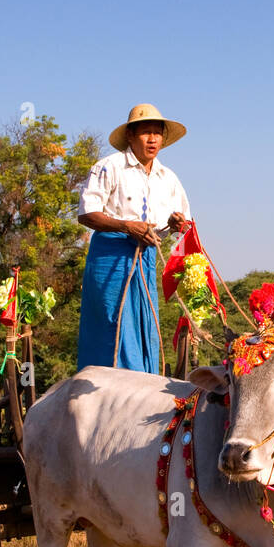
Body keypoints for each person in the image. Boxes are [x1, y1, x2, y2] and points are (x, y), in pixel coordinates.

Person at [75, 103, 191, 373]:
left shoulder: (168, 178)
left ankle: (143, 386)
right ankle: (105, 393)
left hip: (146, 257)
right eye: (145, 132)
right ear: (130, 136)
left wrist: (175, 224)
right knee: (112, 324)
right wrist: (128, 226)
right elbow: (86, 214)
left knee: (144, 325)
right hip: (110, 256)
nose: (152, 139)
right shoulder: (108, 167)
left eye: (157, 133)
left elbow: (184, 221)